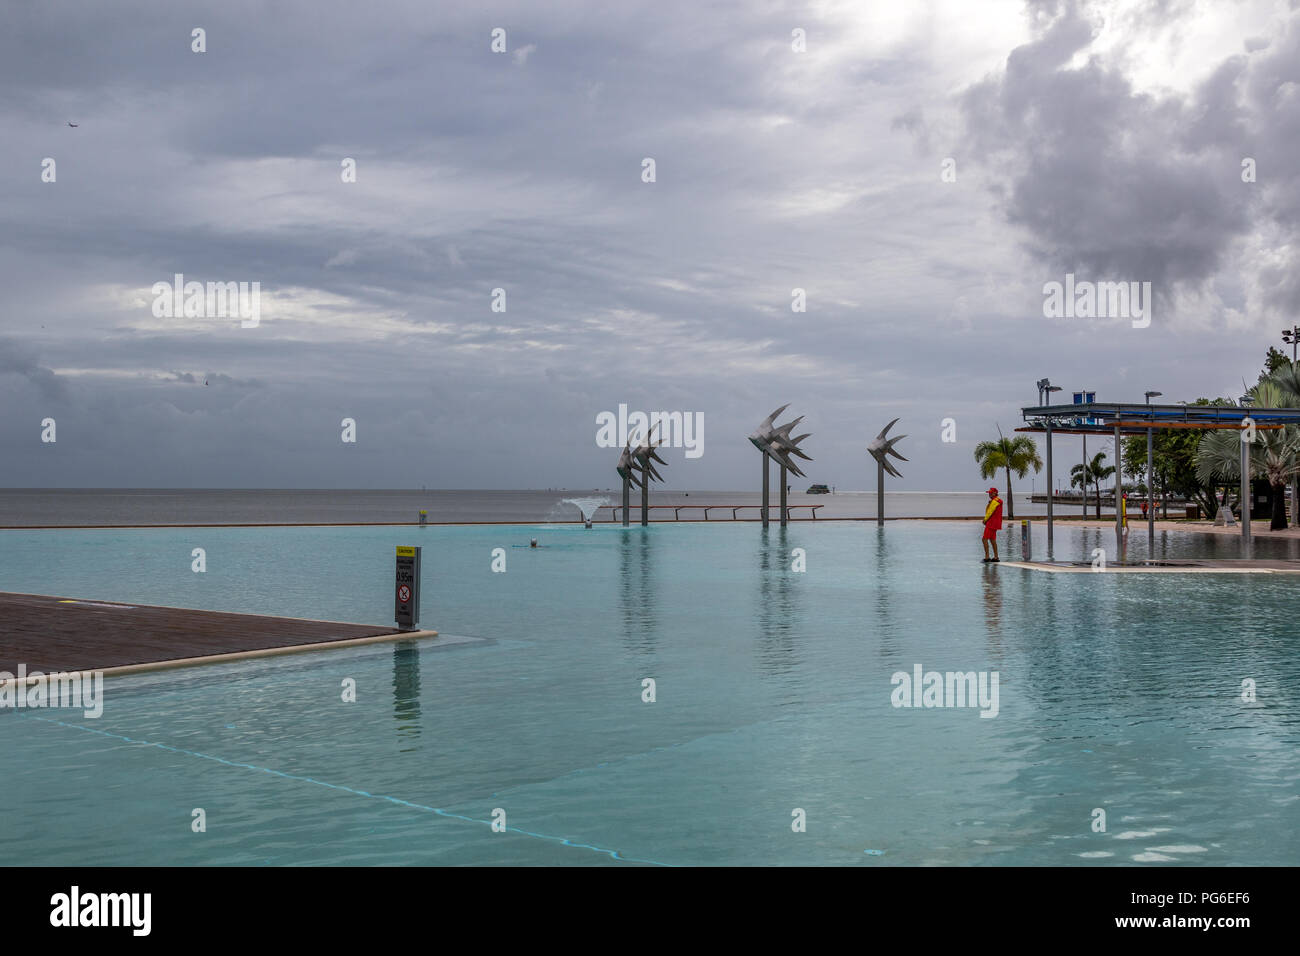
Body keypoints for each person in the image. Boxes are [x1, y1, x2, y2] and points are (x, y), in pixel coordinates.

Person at [982, 487, 1003, 562]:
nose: (989, 494)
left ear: (995, 493)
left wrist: (985, 520)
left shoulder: (995, 501)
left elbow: (990, 511)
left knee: (984, 539)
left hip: (991, 523)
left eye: (991, 493)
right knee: (992, 539)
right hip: (996, 523)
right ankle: (996, 557)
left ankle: (987, 557)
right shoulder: (996, 501)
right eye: (989, 493)